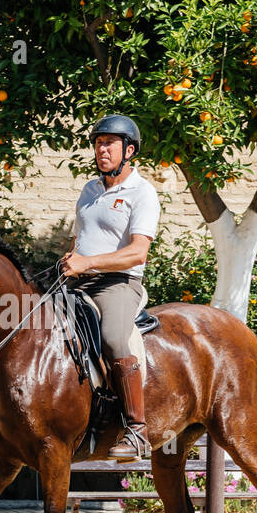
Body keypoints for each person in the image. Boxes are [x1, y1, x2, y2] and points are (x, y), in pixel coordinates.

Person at [60, 114, 160, 461]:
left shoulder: (142, 193)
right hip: (78, 281)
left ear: (128, 150)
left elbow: (137, 251)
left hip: (118, 283)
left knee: (114, 338)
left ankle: (137, 431)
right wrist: (71, 259)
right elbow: (80, 238)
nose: (102, 150)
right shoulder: (89, 190)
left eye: (109, 144)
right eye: (98, 143)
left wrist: (87, 263)